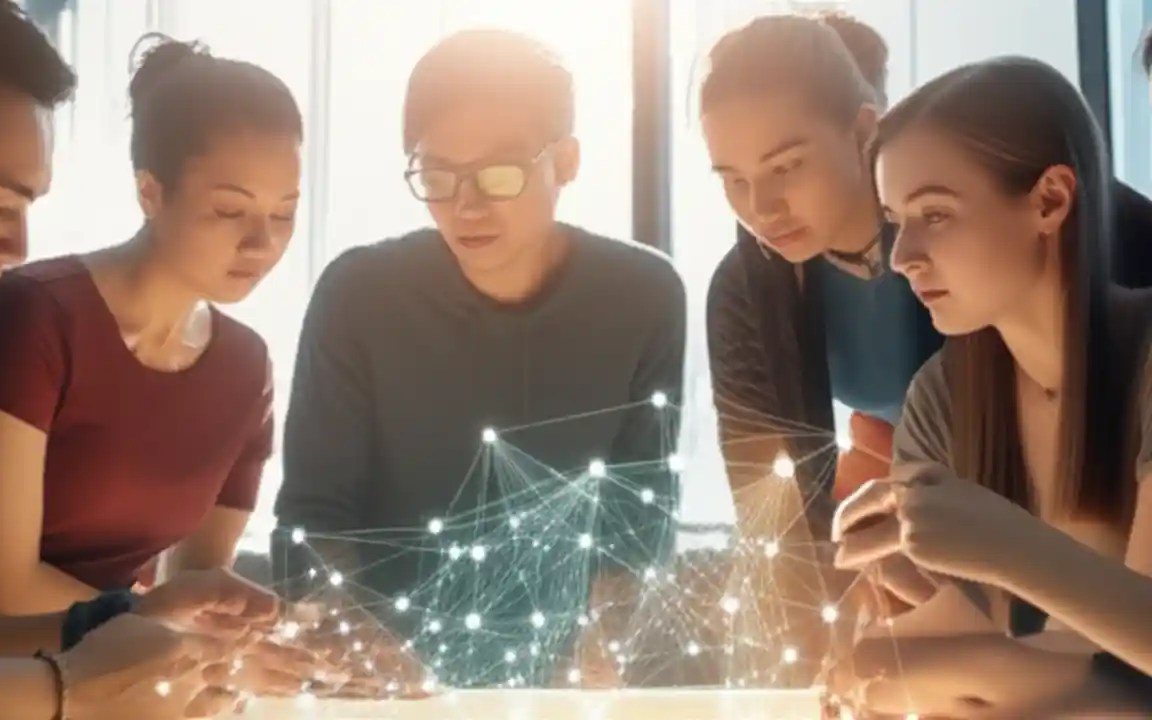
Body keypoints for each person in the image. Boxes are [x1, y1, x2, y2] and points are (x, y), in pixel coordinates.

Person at [0, 2, 311, 717]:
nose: (17, 247)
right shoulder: (31, 314)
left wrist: (139, 626)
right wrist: (66, 687)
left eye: (284, 213)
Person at [700, 12, 1152, 682]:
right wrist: (826, 644)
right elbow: (774, 507)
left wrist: (1000, 558)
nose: (761, 207)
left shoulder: (1082, 255)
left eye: (786, 166)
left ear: (863, 131)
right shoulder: (757, 295)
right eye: (732, 180)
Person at [273, 29, 685, 691]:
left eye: (499, 173)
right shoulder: (360, 295)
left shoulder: (644, 295)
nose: (466, 205)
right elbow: (312, 519)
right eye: (437, 175)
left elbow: (640, 518)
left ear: (567, 161)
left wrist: (603, 646)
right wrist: (356, 642)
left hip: (567, 683)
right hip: (382, 685)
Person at [830, 56, 1152, 717]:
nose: (902, 256)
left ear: (1050, 201)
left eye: (936, 214)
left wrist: (1003, 547)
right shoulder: (942, 399)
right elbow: (992, 637)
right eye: (895, 219)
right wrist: (901, 596)